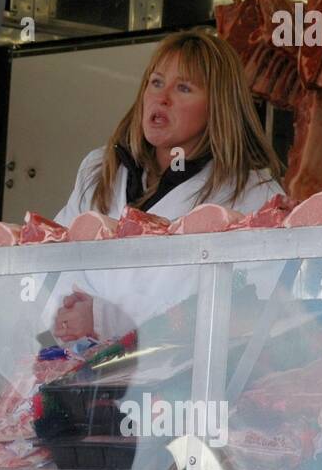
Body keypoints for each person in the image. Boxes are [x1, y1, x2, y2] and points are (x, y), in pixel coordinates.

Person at [50, 30, 285, 343]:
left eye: (184, 88)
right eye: (156, 82)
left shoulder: (255, 196)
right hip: (78, 378)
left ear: (218, 106)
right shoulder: (98, 171)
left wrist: (110, 319)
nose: (162, 98)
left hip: (182, 386)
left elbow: (246, 315)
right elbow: (53, 269)